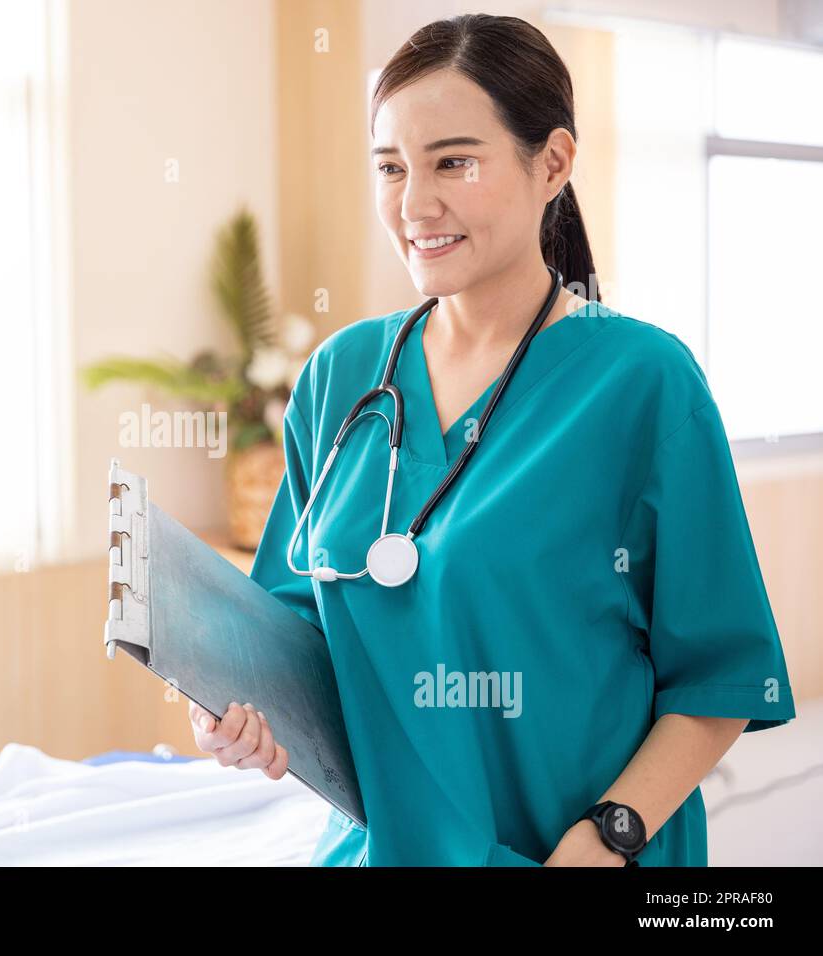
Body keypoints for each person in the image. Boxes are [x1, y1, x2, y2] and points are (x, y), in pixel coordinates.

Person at [187, 12, 795, 866]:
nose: (414, 204)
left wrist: (608, 835)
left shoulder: (641, 385)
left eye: (454, 162)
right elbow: (288, 630)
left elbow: (721, 680)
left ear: (552, 162)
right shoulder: (341, 377)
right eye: (391, 167)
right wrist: (233, 707)